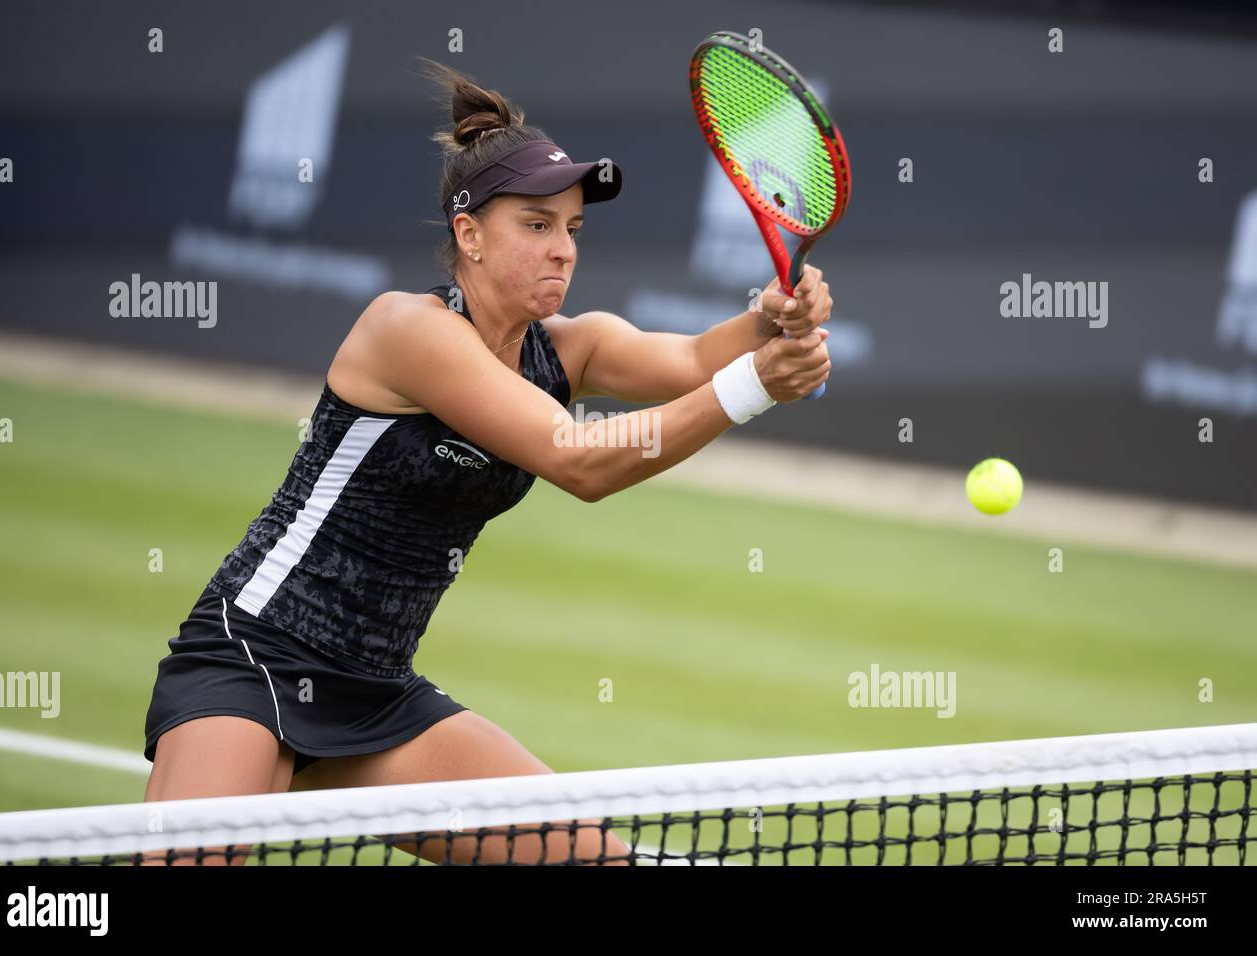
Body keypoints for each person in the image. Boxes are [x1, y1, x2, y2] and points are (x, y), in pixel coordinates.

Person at [140, 58, 832, 866]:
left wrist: (771, 318)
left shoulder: (572, 347)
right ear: (468, 234)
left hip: (376, 693)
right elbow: (579, 461)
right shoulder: (409, 331)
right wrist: (754, 386)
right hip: (255, 656)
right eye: (536, 226)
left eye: (572, 229)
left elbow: (690, 358)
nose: (562, 250)